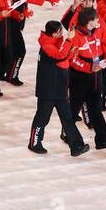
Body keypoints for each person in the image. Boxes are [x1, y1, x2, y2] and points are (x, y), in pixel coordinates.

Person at [28, 20, 89, 155]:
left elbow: (64, 57)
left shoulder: (56, 43)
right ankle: (34, 143)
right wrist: (69, 41)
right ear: (55, 33)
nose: (63, 32)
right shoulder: (46, 46)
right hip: (48, 91)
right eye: (61, 31)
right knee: (42, 118)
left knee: (67, 118)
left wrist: (71, 51)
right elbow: (60, 56)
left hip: (60, 89)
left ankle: (77, 146)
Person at [67, 7, 106, 149]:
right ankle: (66, 134)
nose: (98, 20)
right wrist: (88, 68)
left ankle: (103, 140)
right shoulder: (75, 36)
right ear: (89, 21)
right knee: (73, 110)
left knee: (96, 109)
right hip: (80, 79)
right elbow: (71, 59)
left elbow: (102, 49)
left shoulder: (94, 33)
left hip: (95, 76)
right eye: (96, 19)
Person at [4, 0, 56, 87]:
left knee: (10, 48)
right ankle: (12, 76)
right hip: (12, 20)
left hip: (15, 18)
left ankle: (3, 73)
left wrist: (45, 1)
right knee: (20, 50)